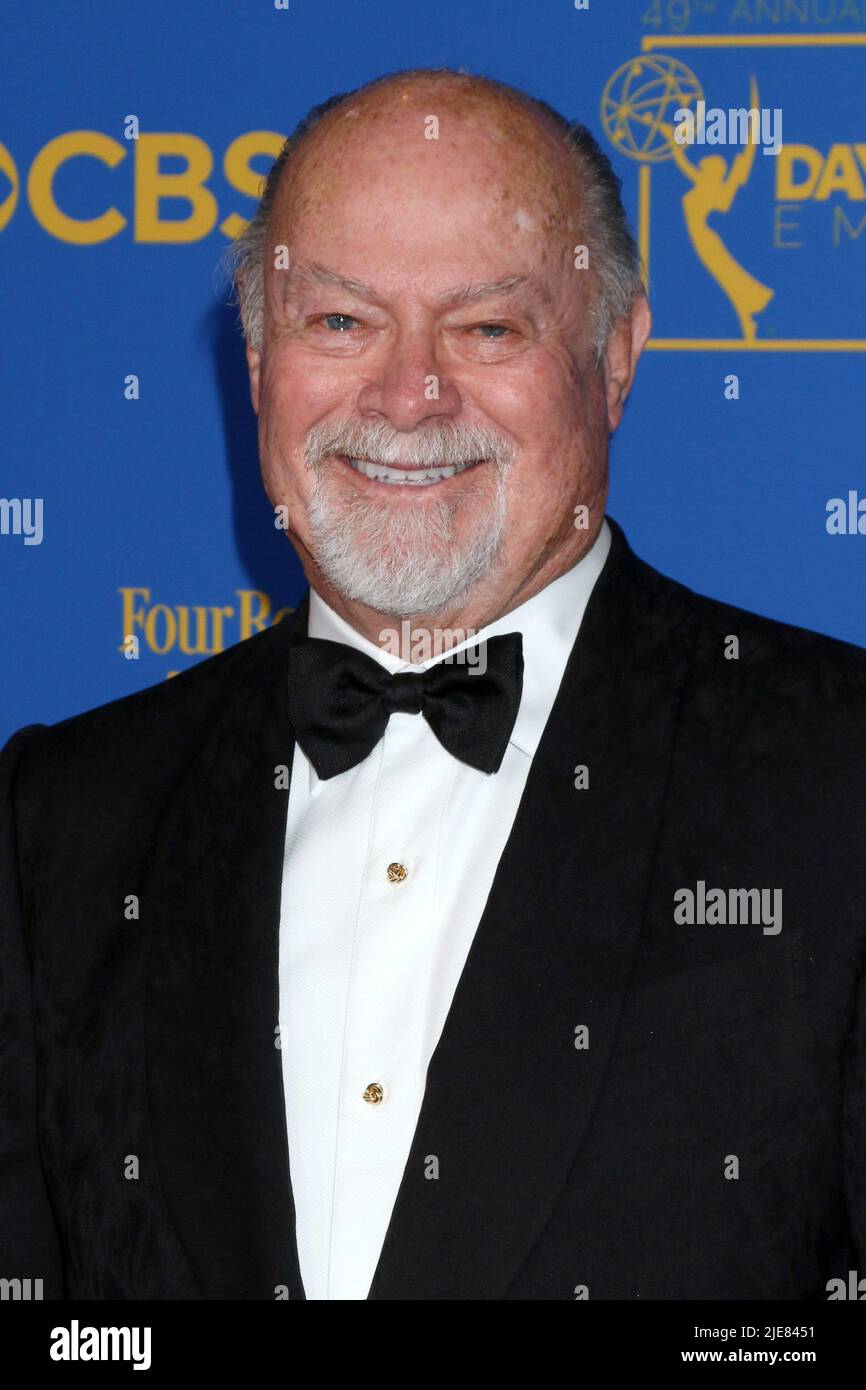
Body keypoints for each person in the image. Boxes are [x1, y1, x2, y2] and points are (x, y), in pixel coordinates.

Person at [2, 67, 865, 1301]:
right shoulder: (59, 821)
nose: (409, 395)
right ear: (256, 363)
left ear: (615, 358)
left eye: (487, 328)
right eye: (341, 323)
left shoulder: (838, 776)